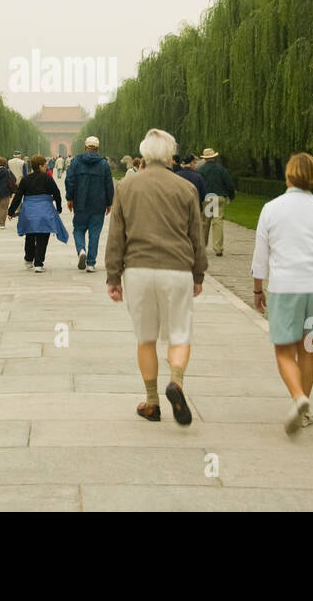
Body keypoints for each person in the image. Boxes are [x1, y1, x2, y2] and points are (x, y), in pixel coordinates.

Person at [105, 129, 207, 425]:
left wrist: (113, 276)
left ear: (145, 153)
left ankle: (151, 402)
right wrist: (198, 273)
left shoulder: (126, 186)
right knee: (179, 333)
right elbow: (195, 237)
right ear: (170, 154)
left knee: (145, 338)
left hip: (138, 269)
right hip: (177, 269)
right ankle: (176, 381)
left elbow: (116, 236)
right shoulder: (186, 188)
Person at [251, 152, 313, 434]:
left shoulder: (271, 208)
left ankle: (298, 397)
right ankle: (304, 411)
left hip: (287, 286)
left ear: (288, 175)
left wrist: (258, 288)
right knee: (308, 349)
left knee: (283, 350)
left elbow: (261, 255)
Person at [7, 154, 67, 272]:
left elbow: (18, 196)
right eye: (45, 165)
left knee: (30, 234)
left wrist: (11, 211)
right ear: (40, 166)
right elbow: (57, 193)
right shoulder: (47, 178)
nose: (46, 168)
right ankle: (39, 263)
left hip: (29, 210)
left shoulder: (26, 179)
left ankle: (29, 259)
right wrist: (58, 208)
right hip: (44, 209)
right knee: (43, 236)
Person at [65, 135, 115, 272]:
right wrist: (109, 202)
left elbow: (69, 180)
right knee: (95, 233)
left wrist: (69, 198)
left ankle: (81, 250)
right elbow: (109, 185)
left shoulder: (76, 161)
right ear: (97, 148)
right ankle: (91, 263)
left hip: (80, 202)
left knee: (78, 229)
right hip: (98, 204)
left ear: (85, 147)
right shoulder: (103, 164)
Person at [198, 148, 236, 257]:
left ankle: (202, 246)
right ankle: (218, 248)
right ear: (214, 157)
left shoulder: (201, 170)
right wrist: (231, 195)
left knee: (205, 222)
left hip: (207, 197)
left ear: (205, 159)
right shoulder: (221, 169)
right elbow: (229, 184)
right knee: (217, 222)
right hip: (219, 197)